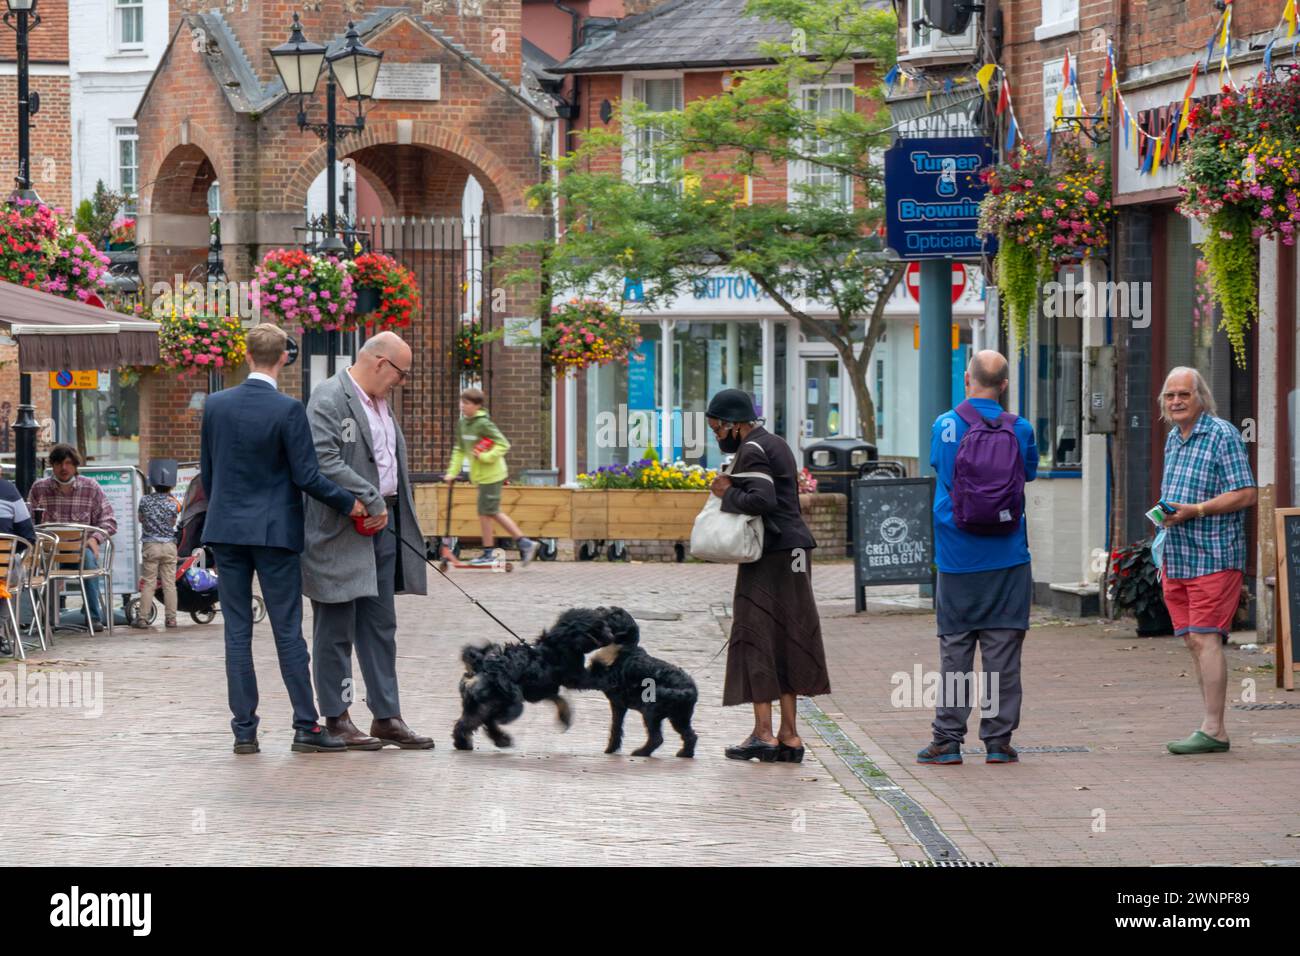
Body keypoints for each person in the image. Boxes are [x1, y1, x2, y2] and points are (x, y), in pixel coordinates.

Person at [200, 322, 365, 755]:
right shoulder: (288, 409)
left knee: (236, 633)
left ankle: (244, 730)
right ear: (284, 359)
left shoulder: (215, 406)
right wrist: (350, 504)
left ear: (247, 355)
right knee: (287, 632)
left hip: (226, 531)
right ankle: (305, 725)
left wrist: (221, 517)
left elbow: (209, 473)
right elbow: (307, 476)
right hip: (274, 533)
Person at [301, 332, 434, 750]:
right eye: (401, 373)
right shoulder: (328, 398)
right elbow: (323, 459)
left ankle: (387, 716)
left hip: (383, 527)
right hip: (342, 531)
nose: (401, 381)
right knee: (336, 628)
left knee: (381, 626)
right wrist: (371, 498)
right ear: (380, 363)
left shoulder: (379, 403)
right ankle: (337, 717)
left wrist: (388, 509)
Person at [917, 350, 1037, 766]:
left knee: (955, 651)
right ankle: (998, 742)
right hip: (1008, 557)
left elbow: (941, 469)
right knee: (1003, 650)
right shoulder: (1020, 429)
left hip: (956, 558)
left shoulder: (945, 425)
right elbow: (1029, 474)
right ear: (1004, 384)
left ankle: (947, 740)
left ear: (967, 380)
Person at [707, 388, 828, 764]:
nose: (716, 436)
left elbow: (762, 499)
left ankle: (763, 733)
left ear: (732, 424)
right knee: (788, 634)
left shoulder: (752, 449)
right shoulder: (775, 443)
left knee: (756, 633)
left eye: (716, 428)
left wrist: (725, 492)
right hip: (794, 550)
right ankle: (789, 735)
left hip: (771, 554)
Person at [1155, 367, 1256, 755]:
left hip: (1213, 554)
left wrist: (1195, 510)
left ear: (1201, 397)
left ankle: (1214, 729)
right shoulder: (1173, 438)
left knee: (1206, 637)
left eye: (1184, 394)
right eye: (1170, 396)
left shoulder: (1222, 434)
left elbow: (1246, 493)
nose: (1176, 402)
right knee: (1194, 642)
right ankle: (1211, 725)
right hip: (1177, 556)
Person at [444, 387, 537, 566]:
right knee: (486, 513)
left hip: (493, 474)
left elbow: (503, 444)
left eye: (467, 403)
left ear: (477, 406)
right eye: (462, 402)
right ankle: (516, 545)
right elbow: (459, 450)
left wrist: (485, 457)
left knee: (490, 511)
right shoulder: (463, 424)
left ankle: (519, 544)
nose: (463, 406)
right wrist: (452, 472)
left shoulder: (484, 424)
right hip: (480, 476)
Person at [28, 443, 117, 626]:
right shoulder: (40, 488)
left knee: (89, 559)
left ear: (76, 465)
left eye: (68, 463)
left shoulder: (90, 487)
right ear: (52, 465)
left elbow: (109, 520)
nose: (64, 468)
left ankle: (93, 618)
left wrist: (94, 538)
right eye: (59, 463)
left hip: (80, 548)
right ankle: (45, 618)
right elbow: (28, 521)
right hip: (49, 551)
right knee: (34, 563)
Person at [134, 479, 180, 630]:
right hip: (169, 546)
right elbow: (173, 522)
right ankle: (171, 619)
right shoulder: (172, 502)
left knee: (149, 583)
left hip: (151, 545)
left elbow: (141, 519)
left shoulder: (145, 500)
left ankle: (142, 618)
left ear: (153, 484)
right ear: (171, 485)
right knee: (169, 584)